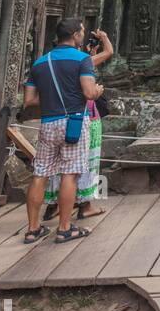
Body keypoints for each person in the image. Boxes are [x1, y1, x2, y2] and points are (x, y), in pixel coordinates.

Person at [22, 17, 104, 244]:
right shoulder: (82, 59)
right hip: (74, 123)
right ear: (76, 35)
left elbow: (29, 100)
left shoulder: (40, 62)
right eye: (82, 31)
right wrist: (97, 91)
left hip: (48, 123)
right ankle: (65, 228)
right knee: (70, 173)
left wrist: (51, 100)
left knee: (40, 174)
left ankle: (33, 228)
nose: (83, 35)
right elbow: (88, 93)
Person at [44, 27, 113, 222]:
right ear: (75, 38)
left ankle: (53, 205)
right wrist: (104, 36)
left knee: (56, 165)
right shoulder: (82, 61)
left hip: (54, 117)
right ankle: (85, 204)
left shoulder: (47, 62)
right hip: (83, 117)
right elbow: (108, 53)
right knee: (84, 163)